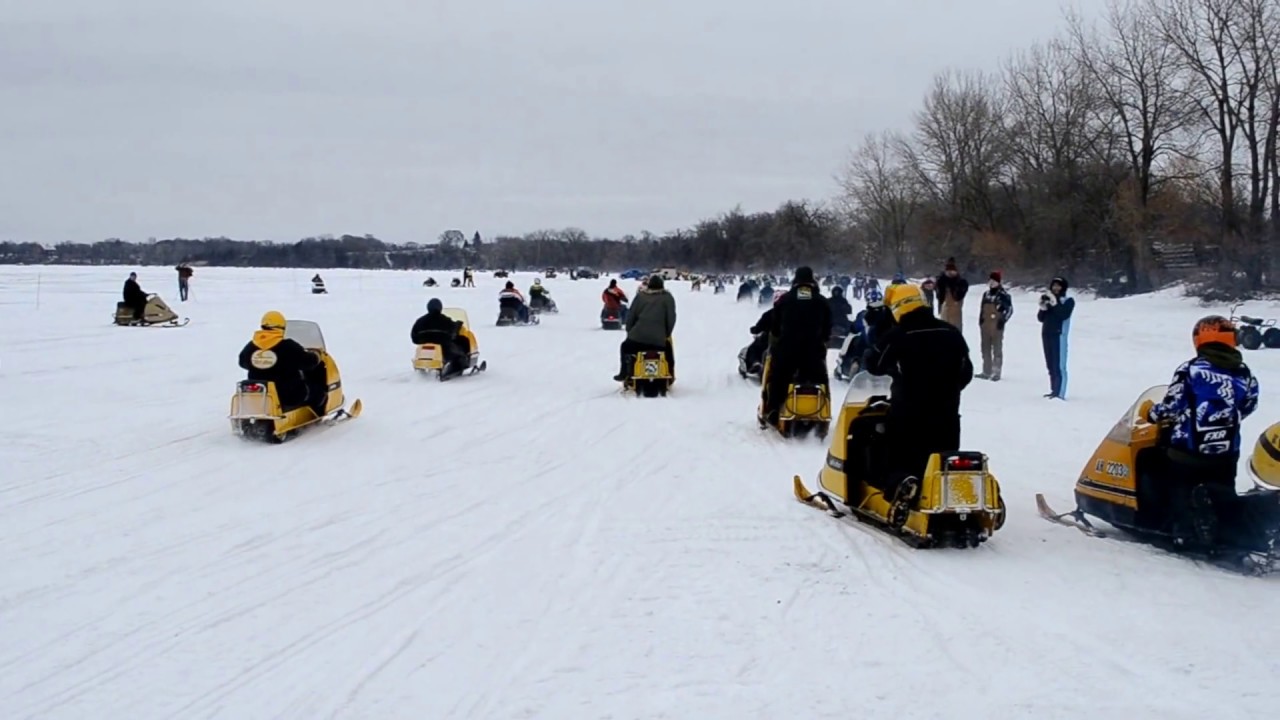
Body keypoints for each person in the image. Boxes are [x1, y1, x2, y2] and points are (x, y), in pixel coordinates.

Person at [1143, 316, 1266, 549]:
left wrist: (1152, 413)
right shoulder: (1244, 373)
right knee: (1224, 494)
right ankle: (1229, 538)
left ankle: (1184, 534)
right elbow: (1249, 405)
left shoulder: (1190, 369)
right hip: (1226, 452)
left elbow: (1172, 405)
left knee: (1179, 488)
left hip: (1187, 449)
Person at [865, 283, 974, 499]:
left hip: (908, 414)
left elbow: (873, 364)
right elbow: (966, 372)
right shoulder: (951, 332)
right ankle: (945, 492)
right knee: (943, 457)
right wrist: (947, 388)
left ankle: (902, 487)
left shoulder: (898, 335)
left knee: (896, 457)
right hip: (947, 414)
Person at [760, 267, 831, 425]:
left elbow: (776, 326)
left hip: (787, 349)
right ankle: (824, 409)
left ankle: (773, 410)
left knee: (778, 377)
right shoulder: (821, 301)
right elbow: (828, 328)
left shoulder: (785, 300)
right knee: (821, 379)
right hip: (813, 351)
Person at [239, 310, 325, 415]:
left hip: (261, 395)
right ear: (282, 328)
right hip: (289, 396)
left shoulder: (252, 346)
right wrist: (316, 356)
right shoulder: (288, 346)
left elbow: (242, 362)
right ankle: (317, 415)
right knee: (317, 391)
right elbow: (308, 362)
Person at [615, 274, 676, 381]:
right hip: (658, 342)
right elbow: (671, 318)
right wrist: (666, 334)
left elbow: (631, 317)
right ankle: (669, 374)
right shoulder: (668, 298)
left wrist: (630, 332)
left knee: (625, 347)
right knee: (668, 354)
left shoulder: (640, 297)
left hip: (637, 338)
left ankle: (624, 373)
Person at [836, 288, 888, 380]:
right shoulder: (888, 314)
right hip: (884, 345)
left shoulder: (864, 315)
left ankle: (853, 366)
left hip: (870, 345)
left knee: (857, 344)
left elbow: (855, 328)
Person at [1037, 276, 1074, 399]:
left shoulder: (1068, 301)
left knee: (1059, 365)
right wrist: (1043, 307)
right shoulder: (1050, 300)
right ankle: (1053, 390)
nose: (1056, 288)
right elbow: (1041, 318)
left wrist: (1054, 303)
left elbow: (1063, 314)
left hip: (1059, 336)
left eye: (1058, 286)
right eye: (1054, 285)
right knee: (1050, 365)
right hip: (1046, 334)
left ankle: (1060, 393)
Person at [411, 298, 470, 375]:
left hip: (423, 346)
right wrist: (458, 325)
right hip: (443, 346)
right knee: (459, 353)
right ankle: (458, 365)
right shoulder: (444, 320)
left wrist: (422, 340)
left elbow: (413, 336)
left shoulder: (420, 321)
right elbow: (453, 329)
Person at [977, 271, 1013, 381]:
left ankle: (996, 372)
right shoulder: (986, 294)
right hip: (985, 324)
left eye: (994, 281)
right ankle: (986, 371)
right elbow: (982, 308)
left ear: (998, 282)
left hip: (997, 324)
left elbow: (1010, 310)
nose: (992, 283)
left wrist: (1003, 320)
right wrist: (981, 320)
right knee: (985, 348)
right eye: (990, 281)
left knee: (997, 348)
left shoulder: (1004, 295)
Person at [935, 258, 968, 330]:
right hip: (944, 316)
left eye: (952, 271)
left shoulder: (961, 282)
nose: (950, 274)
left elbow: (958, 296)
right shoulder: (942, 282)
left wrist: (953, 284)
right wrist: (940, 284)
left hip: (956, 317)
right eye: (948, 272)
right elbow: (940, 299)